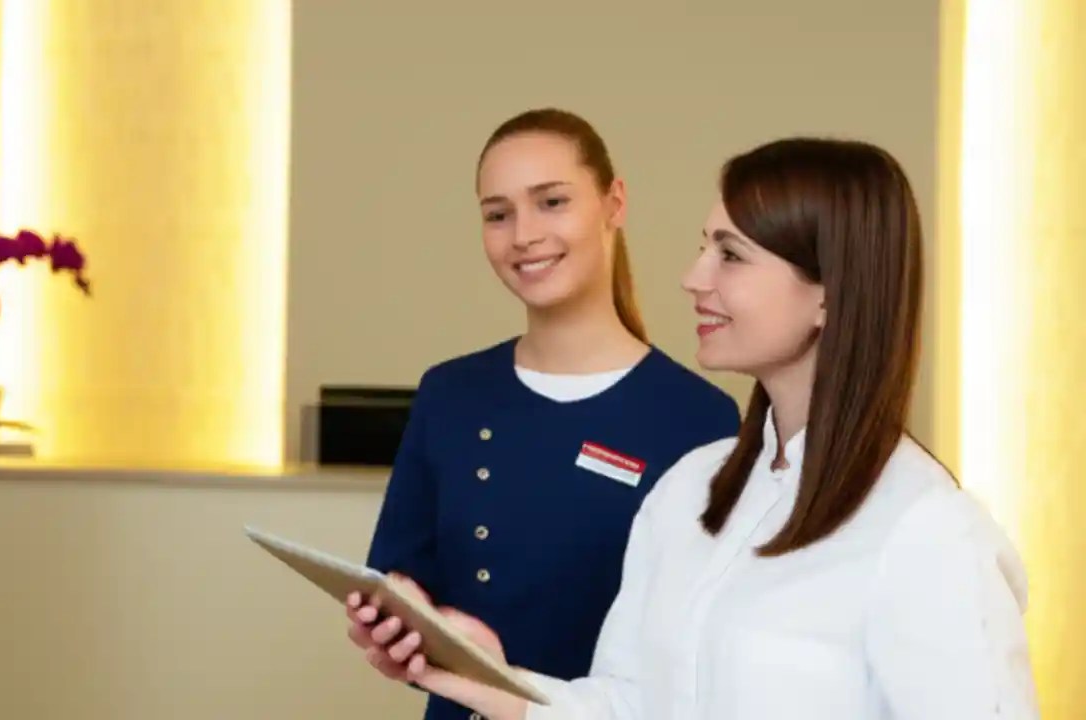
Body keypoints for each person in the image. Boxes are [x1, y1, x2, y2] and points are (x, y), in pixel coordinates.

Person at [350, 137, 1040, 719]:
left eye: (731, 256)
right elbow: (631, 704)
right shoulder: (692, 490)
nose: (692, 277)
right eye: (703, 247)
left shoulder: (929, 534)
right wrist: (495, 683)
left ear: (831, 291)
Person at [349, 108, 741, 720]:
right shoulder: (450, 394)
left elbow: (700, 659)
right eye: (498, 214)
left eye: (552, 202)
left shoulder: (700, 421)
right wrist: (395, 630)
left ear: (614, 202)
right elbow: (403, 587)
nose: (523, 235)